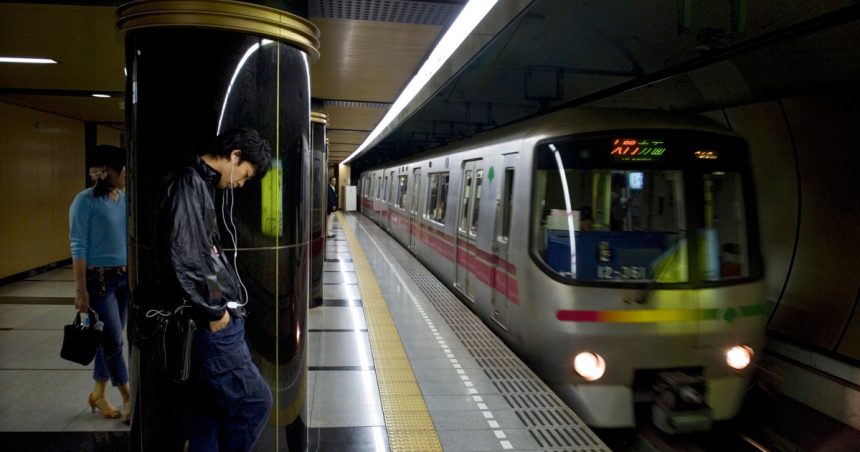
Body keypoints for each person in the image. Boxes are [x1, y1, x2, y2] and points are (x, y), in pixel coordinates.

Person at [157, 127, 273, 451]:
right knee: (255, 403)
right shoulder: (188, 182)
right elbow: (188, 255)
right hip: (211, 324)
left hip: (210, 320)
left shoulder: (197, 183)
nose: (240, 184)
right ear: (235, 156)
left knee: (206, 414)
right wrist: (215, 310)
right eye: (245, 175)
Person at [69, 144, 131, 424]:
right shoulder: (84, 202)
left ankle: (98, 393)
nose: (127, 172)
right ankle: (128, 398)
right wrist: (80, 291)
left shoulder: (124, 199)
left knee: (108, 341)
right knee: (114, 342)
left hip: (124, 279)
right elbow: (78, 247)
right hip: (99, 282)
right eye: (122, 167)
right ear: (108, 171)